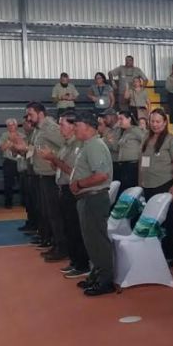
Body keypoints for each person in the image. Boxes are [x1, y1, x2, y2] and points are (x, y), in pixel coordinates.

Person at [39, 111, 91, 274]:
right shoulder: (66, 144)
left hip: (73, 190)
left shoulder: (78, 145)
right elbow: (61, 167)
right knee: (68, 228)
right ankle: (75, 261)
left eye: (62, 124)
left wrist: (54, 159)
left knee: (75, 228)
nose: (59, 128)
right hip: (63, 188)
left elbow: (73, 171)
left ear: (73, 125)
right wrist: (53, 161)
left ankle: (81, 264)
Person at [70, 111, 115, 296]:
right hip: (88, 198)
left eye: (77, 125)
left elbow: (101, 175)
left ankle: (105, 281)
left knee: (97, 241)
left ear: (88, 127)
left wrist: (79, 183)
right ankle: (97, 275)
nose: (74, 129)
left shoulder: (94, 145)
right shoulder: (87, 145)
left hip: (93, 198)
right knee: (91, 241)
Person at [22, 102, 66, 260]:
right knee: (46, 212)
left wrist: (52, 157)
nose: (28, 118)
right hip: (41, 173)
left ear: (40, 114)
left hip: (50, 175)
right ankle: (53, 241)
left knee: (54, 214)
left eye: (30, 114)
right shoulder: (39, 130)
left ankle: (61, 246)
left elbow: (65, 145)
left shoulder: (50, 128)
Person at [139, 108, 173, 264]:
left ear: (165, 122)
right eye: (152, 121)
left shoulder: (171, 140)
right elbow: (142, 163)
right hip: (148, 185)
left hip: (164, 184)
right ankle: (155, 252)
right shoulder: (146, 138)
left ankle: (170, 255)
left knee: (167, 221)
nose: (155, 124)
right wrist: (140, 184)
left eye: (158, 121)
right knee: (152, 221)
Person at [110, 110, 145, 193]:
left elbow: (145, 140)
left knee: (130, 189)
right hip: (123, 165)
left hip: (132, 165)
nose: (119, 121)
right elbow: (115, 146)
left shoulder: (135, 130)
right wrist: (116, 128)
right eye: (118, 119)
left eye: (121, 119)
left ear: (129, 119)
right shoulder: (122, 132)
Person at [0, 118, 25, 209]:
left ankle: (25, 202)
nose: (11, 127)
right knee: (8, 183)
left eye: (12, 124)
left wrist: (17, 141)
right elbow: (2, 148)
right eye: (9, 125)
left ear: (16, 126)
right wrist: (10, 141)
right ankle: (8, 203)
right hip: (9, 161)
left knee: (23, 183)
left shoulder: (22, 135)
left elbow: (24, 148)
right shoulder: (4, 135)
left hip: (20, 160)